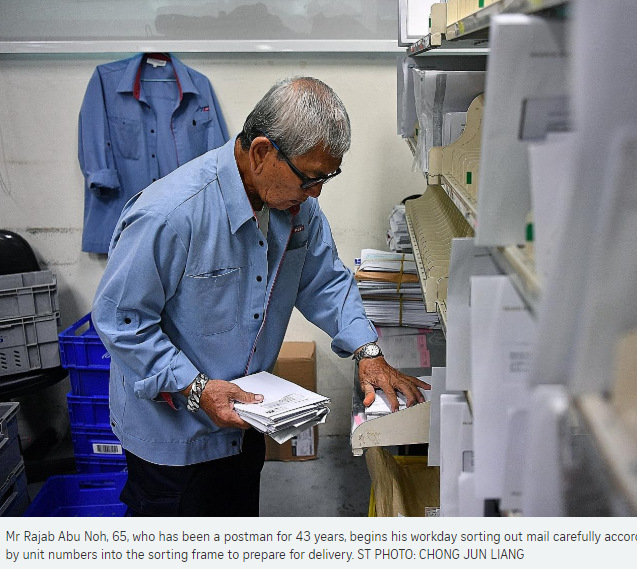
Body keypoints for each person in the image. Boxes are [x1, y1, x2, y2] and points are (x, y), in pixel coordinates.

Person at [92, 76, 430, 517]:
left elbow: (326, 281)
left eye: (327, 178)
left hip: (244, 419)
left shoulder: (296, 208)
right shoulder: (170, 215)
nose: (316, 193)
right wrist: (195, 389)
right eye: (309, 179)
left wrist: (368, 351)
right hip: (173, 440)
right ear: (261, 152)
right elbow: (122, 320)